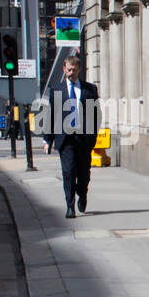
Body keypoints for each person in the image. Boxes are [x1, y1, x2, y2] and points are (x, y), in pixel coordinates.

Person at [47, 55, 100, 217]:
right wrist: (47, 139)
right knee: (68, 172)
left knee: (84, 173)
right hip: (65, 139)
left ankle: (82, 194)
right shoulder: (57, 90)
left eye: (73, 70)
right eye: (68, 69)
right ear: (64, 69)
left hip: (83, 139)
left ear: (79, 70)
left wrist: (93, 136)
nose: (70, 73)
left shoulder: (90, 89)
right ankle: (70, 206)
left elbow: (96, 114)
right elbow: (52, 115)